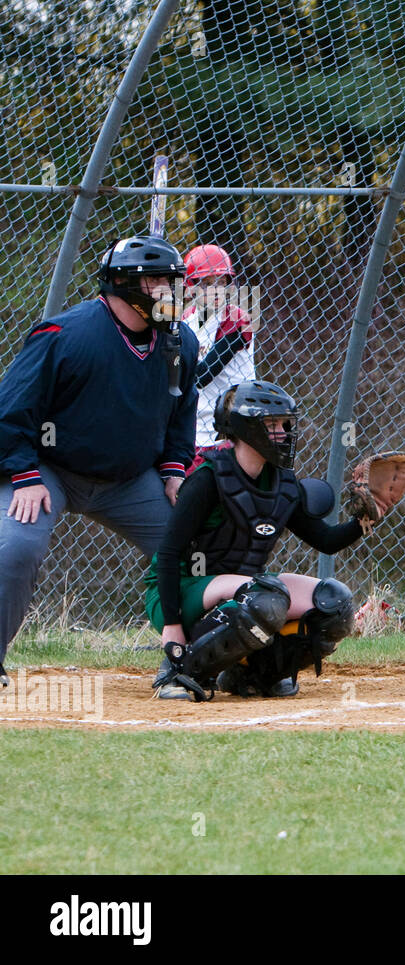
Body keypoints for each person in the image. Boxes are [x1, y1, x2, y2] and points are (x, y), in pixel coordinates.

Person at [0, 235, 198, 685]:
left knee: (195, 548)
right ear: (124, 284)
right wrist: (24, 474)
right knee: (17, 548)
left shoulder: (180, 342)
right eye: (157, 280)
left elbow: (182, 411)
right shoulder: (66, 335)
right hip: (47, 469)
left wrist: (173, 470)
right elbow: (10, 409)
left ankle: (195, 655)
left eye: (174, 280)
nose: (170, 290)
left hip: (128, 479)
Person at [146, 380, 371, 700]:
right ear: (246, 428)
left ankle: (255, 674)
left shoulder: (280, 482)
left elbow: (326, 540)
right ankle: (180, 670)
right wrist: (172, 627)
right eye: (273, 424)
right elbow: (168, 554)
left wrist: (364, 521)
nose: (283, 433)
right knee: (267, 598)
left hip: (245, 589)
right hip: (181, 588)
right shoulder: (209, 479)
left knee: (335, 604)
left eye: (285, 424)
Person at [182, 244, 255, 469]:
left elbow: (202, 376)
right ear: (192, 286)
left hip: (230, 436)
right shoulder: (187, 318)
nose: (216, 290)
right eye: (207, 283)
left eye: (221, 282)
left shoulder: (237, 319)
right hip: (191, 434)